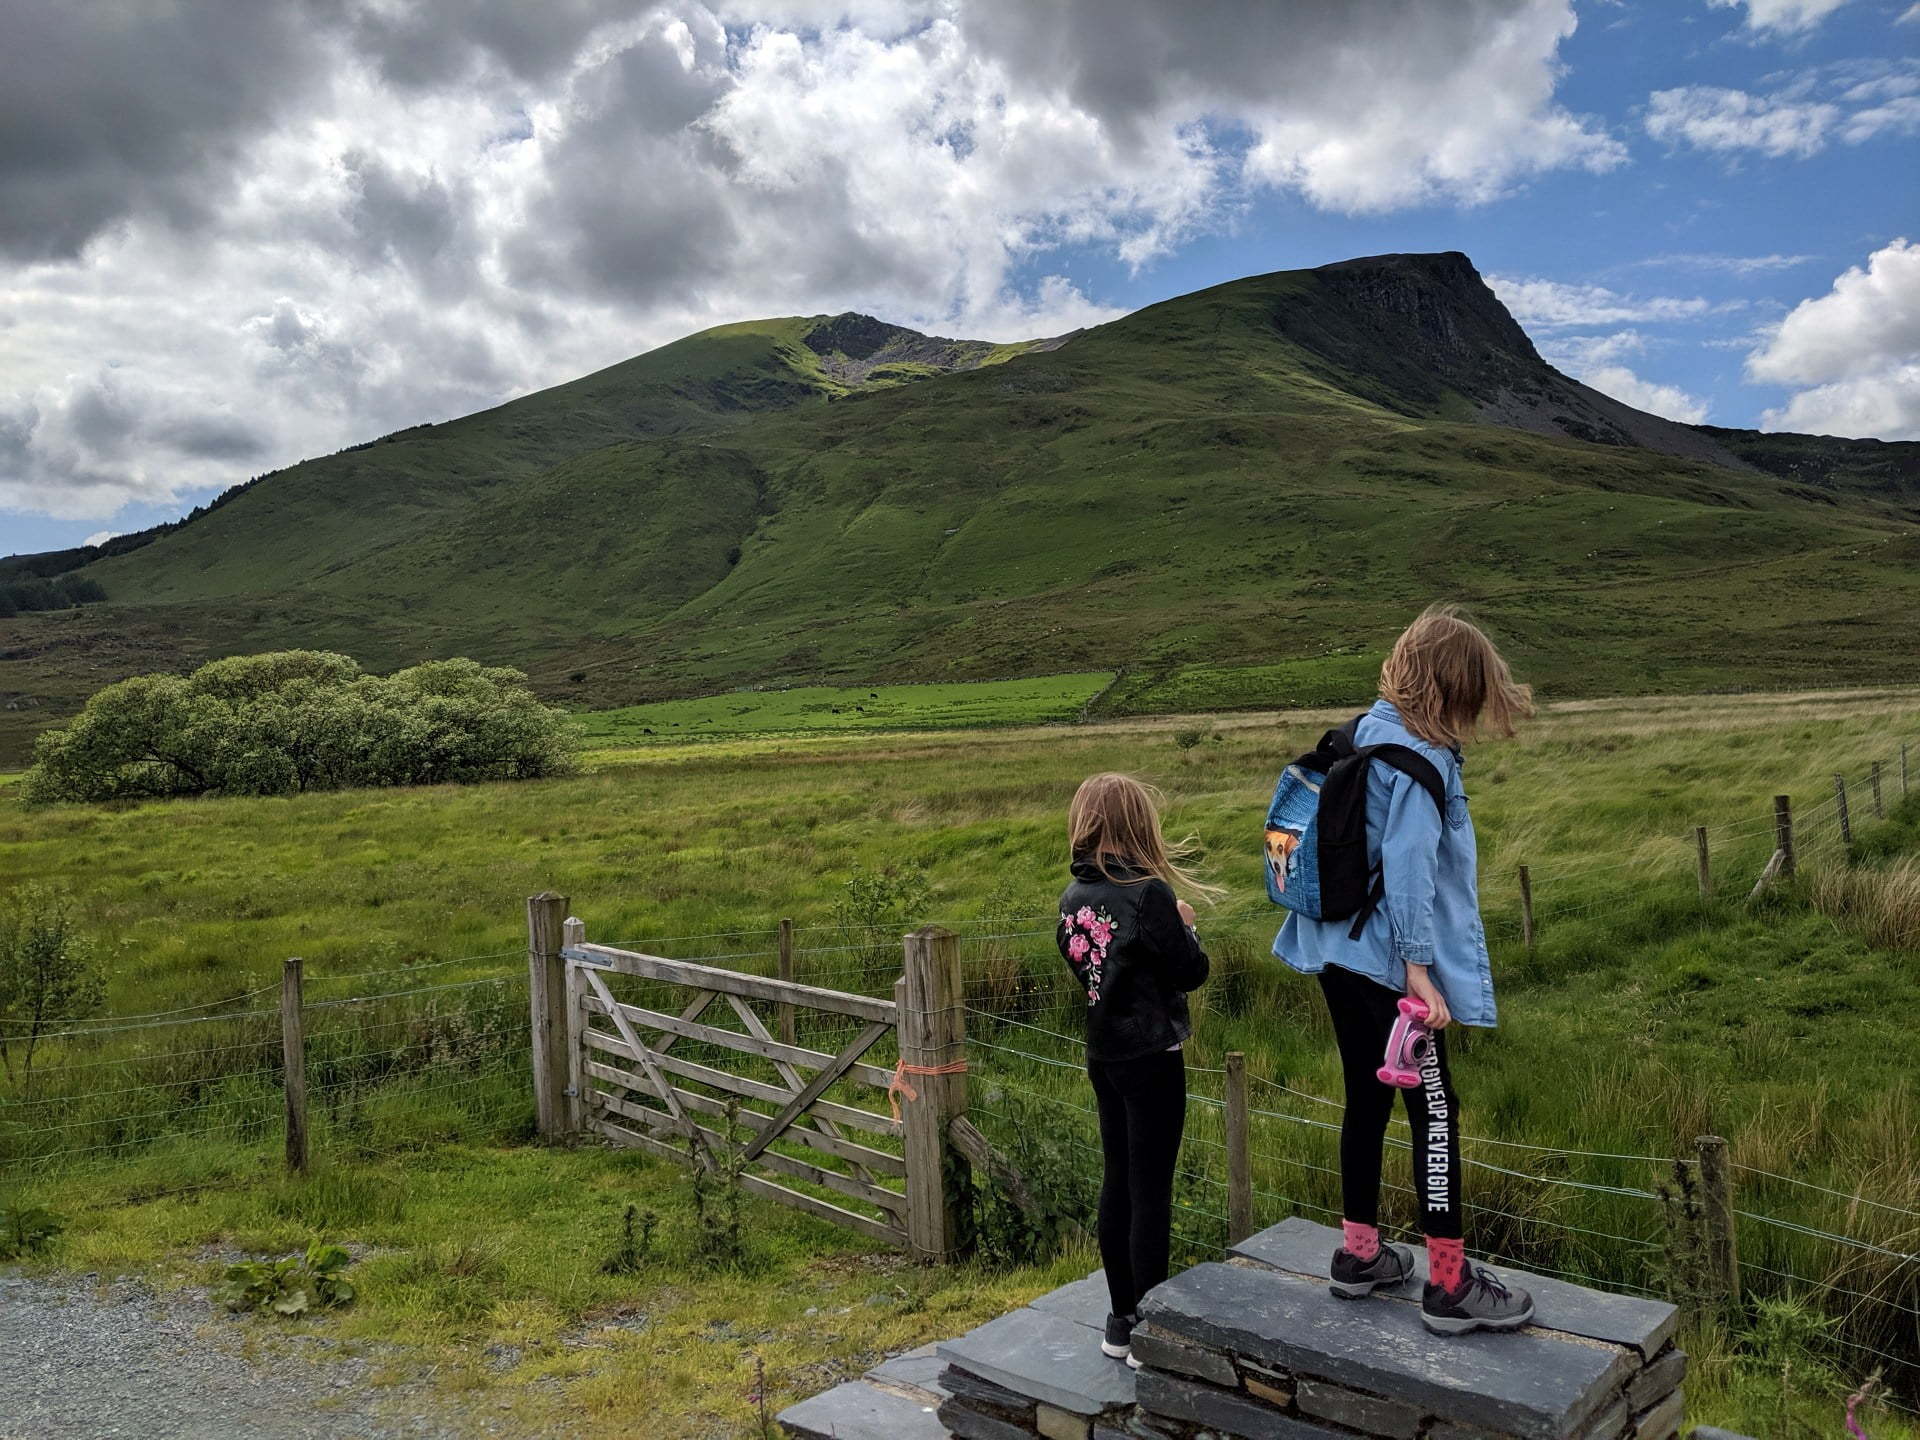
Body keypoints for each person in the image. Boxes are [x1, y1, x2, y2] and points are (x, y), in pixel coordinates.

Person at [1273, 604, 1537, 1336]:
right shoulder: (1420, 763)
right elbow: (1415, 869)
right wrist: (1419, 970)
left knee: (1366, 1096)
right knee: (1437, 1108)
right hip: (1390, 969)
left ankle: (1360, 1255)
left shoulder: (1357, 735)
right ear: (1455, 689)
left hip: (1333, 952)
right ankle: (1449, 1285)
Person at [1056, 773, 1214, 1366]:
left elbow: (1089, 968)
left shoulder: (1072, 898)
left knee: (1117, 1178)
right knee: (1152, 1190)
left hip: (1104, 1053)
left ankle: (1120, 1318)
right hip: (1153, 1055)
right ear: (1137, 823)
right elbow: (1191, 971)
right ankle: (1148, 1329)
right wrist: (1188, 923)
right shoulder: (1148, 893)